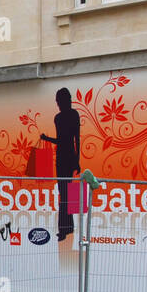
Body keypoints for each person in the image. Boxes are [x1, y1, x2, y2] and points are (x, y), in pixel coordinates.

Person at [39, 87, 81, 242]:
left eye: (59, 101)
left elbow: (76, 139)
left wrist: (78, 160)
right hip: (63, 159)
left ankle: (67, 229)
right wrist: (47, 139)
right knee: (65, 194)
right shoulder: (58, 118)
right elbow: (64, 140)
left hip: (67, 159)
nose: (59, 104)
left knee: (68, 194)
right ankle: (66, 229)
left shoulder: (71, 115)